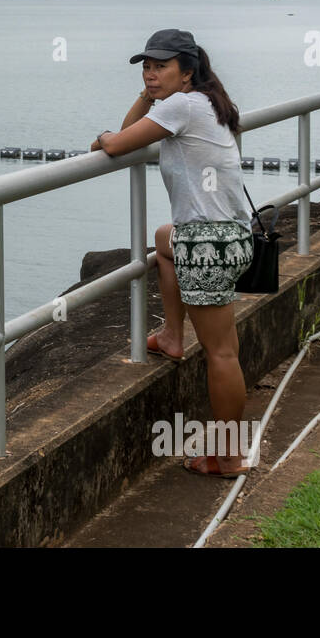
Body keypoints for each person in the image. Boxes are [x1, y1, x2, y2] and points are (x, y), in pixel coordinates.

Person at [89, 28, 253, 478]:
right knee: (165, 239)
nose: (150, 72)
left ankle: (230, 457)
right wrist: (147, 95)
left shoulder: (183, 106)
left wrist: (101, 136)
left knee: (222, 354)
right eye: (146, 66)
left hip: (208, 246)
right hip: (230, 237)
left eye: (160, 66)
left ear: (188, 72)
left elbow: (120, 141)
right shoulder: (205, 103)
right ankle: (173, 337)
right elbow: (133, 132)